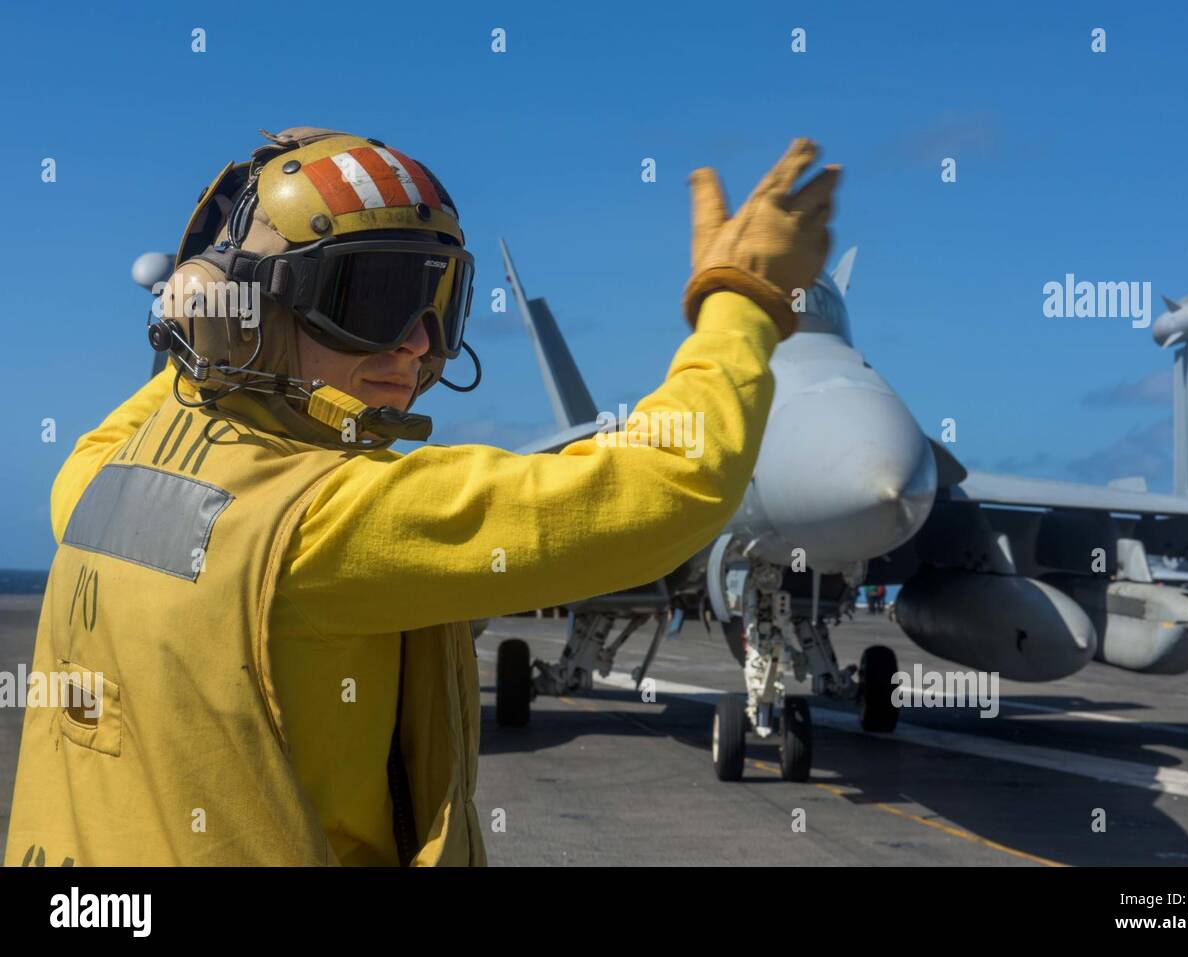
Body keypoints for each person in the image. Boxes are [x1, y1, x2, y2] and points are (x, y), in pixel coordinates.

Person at [4, 129, 840, 866]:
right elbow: (670, 484)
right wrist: (742, 302)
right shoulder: (322, 520)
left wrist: (210, 292)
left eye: (441, 302)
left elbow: (180, 391)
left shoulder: (96, 479)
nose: (418, 345)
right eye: (371, 299)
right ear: (248, 314)